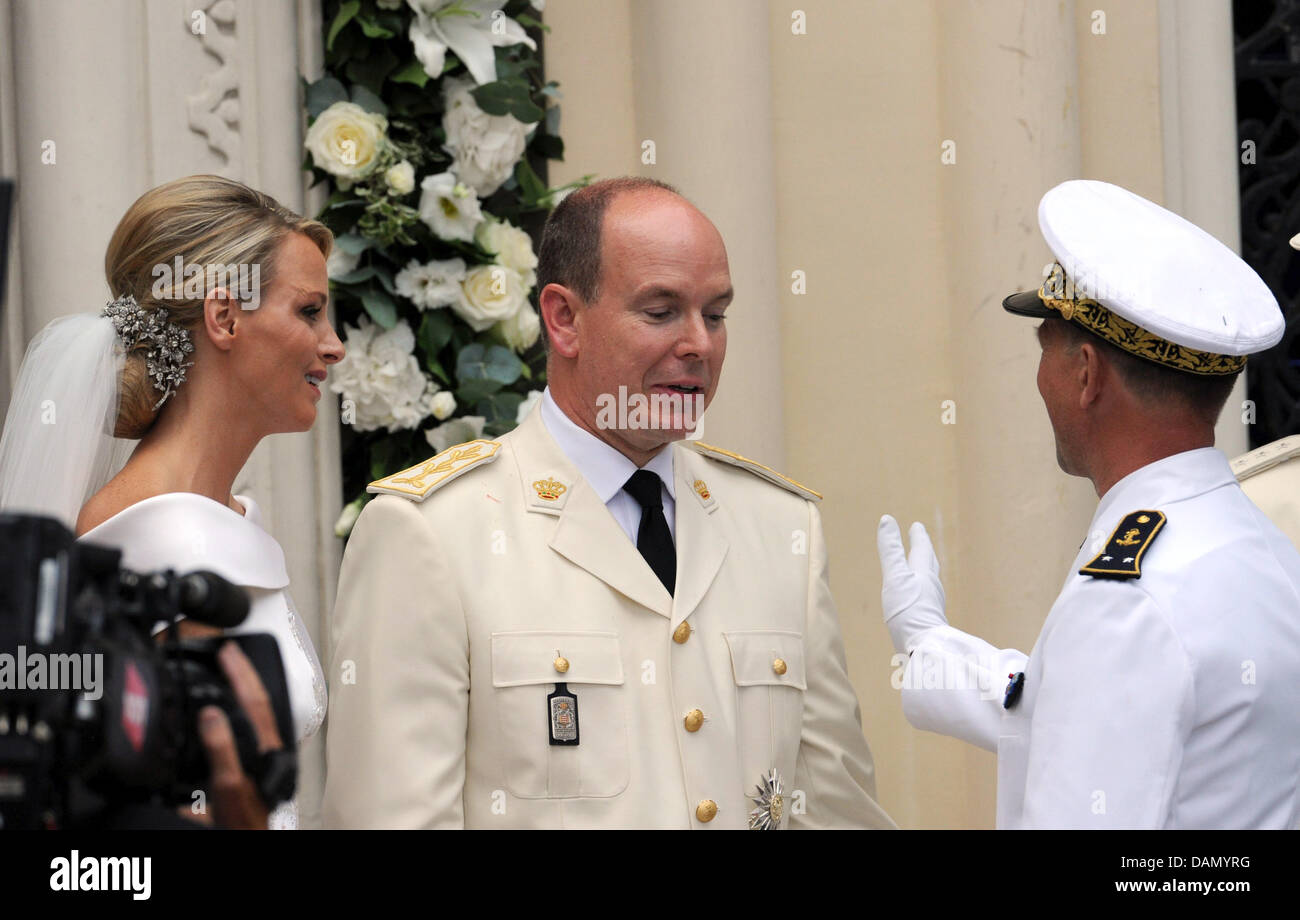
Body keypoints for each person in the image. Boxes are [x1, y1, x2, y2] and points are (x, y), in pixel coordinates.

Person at [323, 177, 894, 829]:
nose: (700, 346)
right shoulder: (433, 533)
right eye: (661, 312)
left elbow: (832, 810)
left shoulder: (781, 528)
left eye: (715, 314)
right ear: (564, 319)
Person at [877, 179, 1300, 828]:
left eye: (1045, 346)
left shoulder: (1125, 597)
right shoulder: (1258, 543)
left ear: (1086, 374)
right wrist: (935, 652)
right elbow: (1111, 707)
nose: (1038, 377)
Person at [0, 174, 344, 828]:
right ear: (223, 318)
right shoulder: (152, 537)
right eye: (308, 311)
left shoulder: (226, 517)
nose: (334, 345)